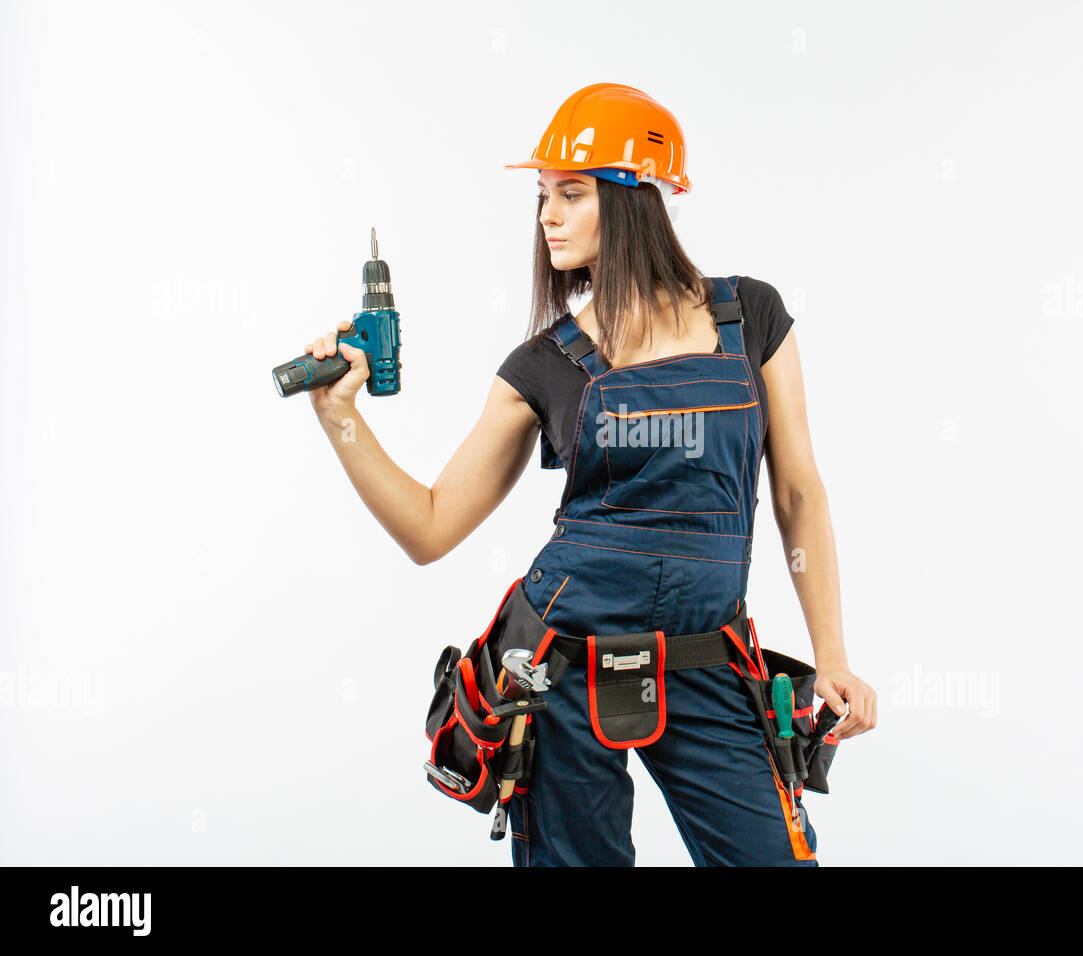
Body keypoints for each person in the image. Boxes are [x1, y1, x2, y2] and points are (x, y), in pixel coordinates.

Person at [304, 83, 876, 866]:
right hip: (560, 673)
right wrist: (339, 414)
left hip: (710, 663)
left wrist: (833, 656)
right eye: (543, 195)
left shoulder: (752, 317)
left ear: (636, 196)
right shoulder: (544, 365)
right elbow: (430, 527)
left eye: (572, 193)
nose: (547, 216)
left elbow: (798, 492)